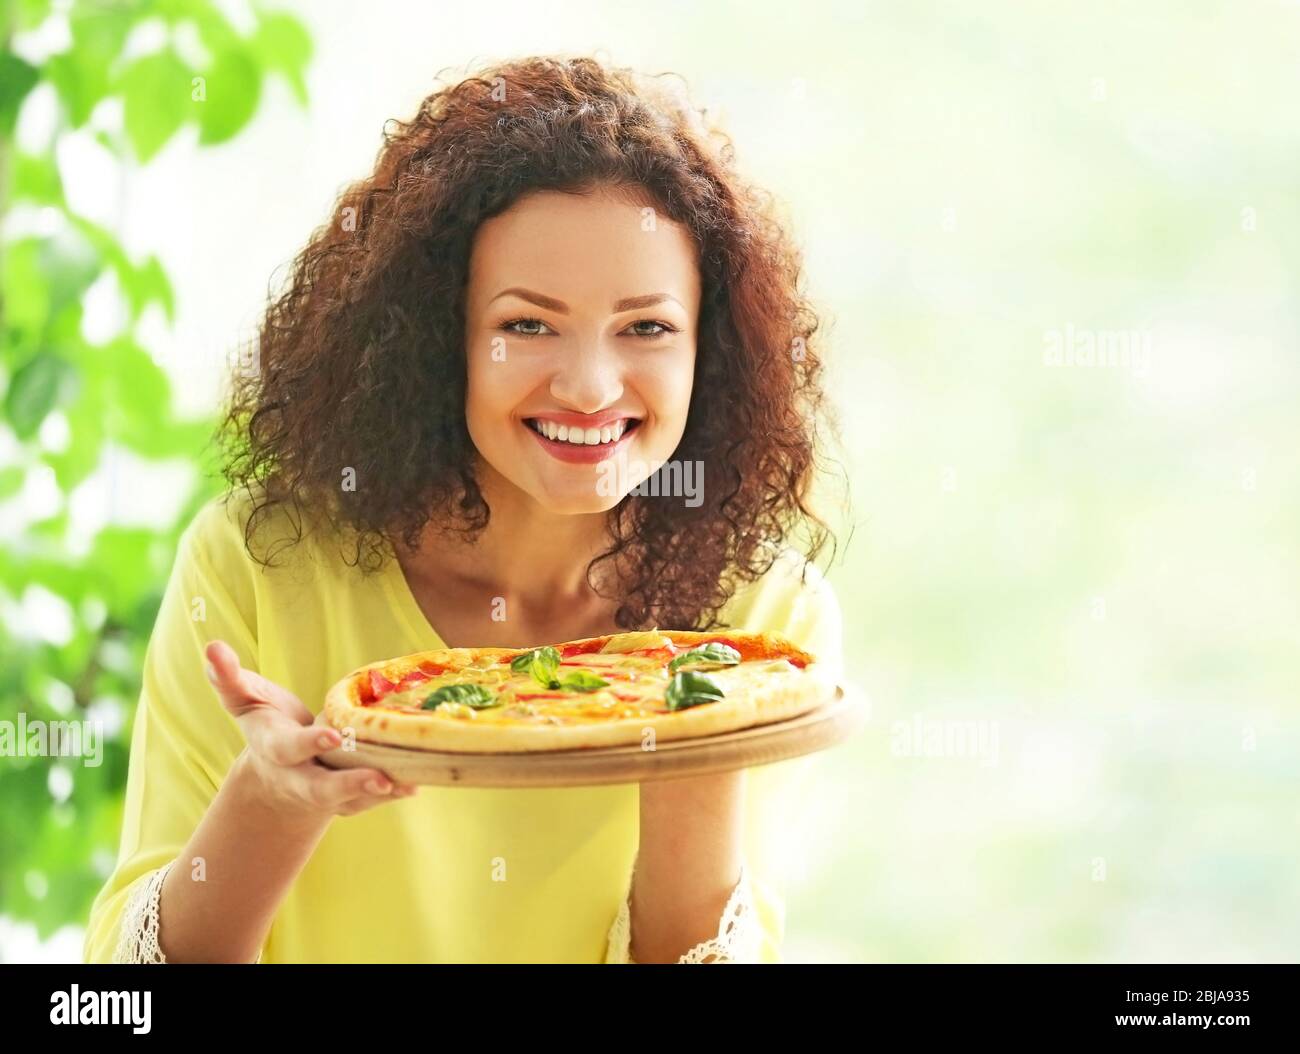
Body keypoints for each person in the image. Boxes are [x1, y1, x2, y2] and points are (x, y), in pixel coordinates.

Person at [83, 54, 843, 964]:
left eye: (647, 327)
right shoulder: (256, 566)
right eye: (527, 324)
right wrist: (273, 801)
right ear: (440, 340)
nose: (590, 387)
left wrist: (691, 740)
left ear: (707, 350)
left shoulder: (761, 627)